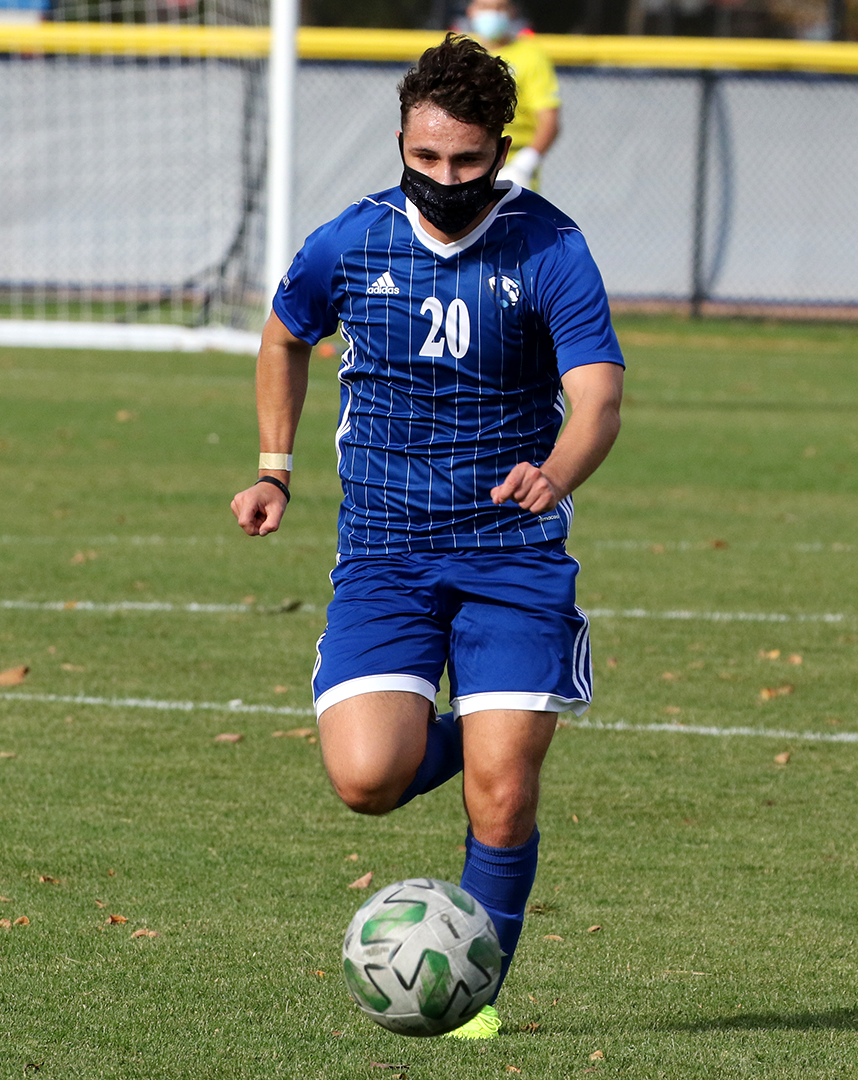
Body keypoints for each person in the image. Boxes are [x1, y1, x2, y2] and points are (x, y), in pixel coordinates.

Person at [229, 35, 625, 1040]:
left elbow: (599, 400)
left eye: (468, 160)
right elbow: (285, 335)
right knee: (367, 780)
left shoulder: (550, 247)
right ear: (402, 140)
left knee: (501, 793)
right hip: (385, 555)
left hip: (512, 558)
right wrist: (275, 466)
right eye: (427, 158)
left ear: (501, 146)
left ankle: (468, 995)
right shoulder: (351, 242)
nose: (446, 179)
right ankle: (505, 731)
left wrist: (558, 471)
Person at [464, 0, 561, 189]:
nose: (492, 14)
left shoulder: (531, 55)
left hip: (514, 167)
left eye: (500, 7)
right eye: (485, 7)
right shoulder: (462, 54)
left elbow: (549, 121)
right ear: (471, 11)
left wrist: (523, 165)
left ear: (512, 11)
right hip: (465, 164)